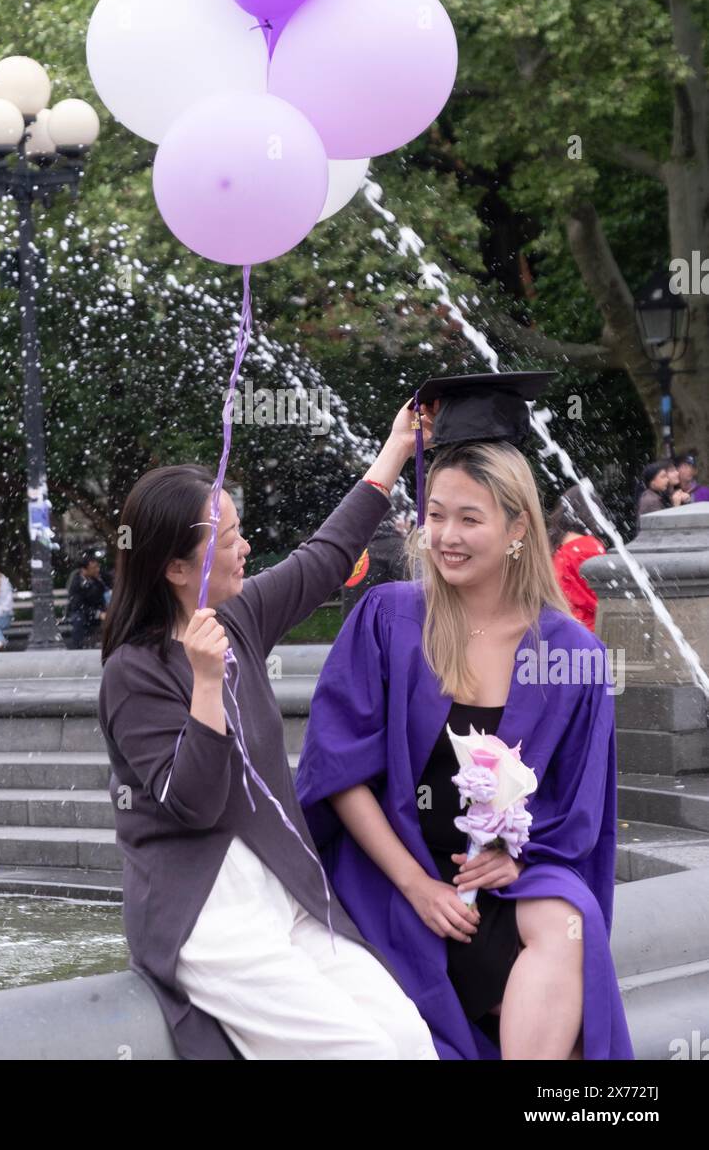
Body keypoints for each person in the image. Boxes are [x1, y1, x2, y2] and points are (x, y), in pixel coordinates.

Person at [296, 371, 634, 1062]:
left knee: (562, 916)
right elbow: (337, 769)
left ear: (517, 530)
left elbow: (576, 811)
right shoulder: (391, 619)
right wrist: (417, 884)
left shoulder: (571, 653)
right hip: (397, 871)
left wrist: (513, 856)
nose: (445, 536)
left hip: (511, 875)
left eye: (469, 519)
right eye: (436, 513)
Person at [98, 400, 439, 1061]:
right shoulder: (132, 674)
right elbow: (192, 804)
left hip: (285, 895)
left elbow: (325, 557)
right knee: (362, 1054)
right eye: (228, 541)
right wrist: (204, 684)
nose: (246, 547)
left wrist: (396, 447)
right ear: (176, 568)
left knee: (405, 1038)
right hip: (207, 916)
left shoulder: (242, 619)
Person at [547, 484, 609, 631]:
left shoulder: (554, 546)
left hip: (560, 627)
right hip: (588, 630)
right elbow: (601, 597)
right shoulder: (589, 547)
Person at [67, 553, 110, 649]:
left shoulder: (99, 579)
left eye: (97, 567)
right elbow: (78, 606)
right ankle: (78, 647)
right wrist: (98, 613)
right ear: (84, 570)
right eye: (94, 568)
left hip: (97, 610)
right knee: (78, 619)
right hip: (83, 612)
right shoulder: (77, 583)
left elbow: (106, 593)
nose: (97, 570)